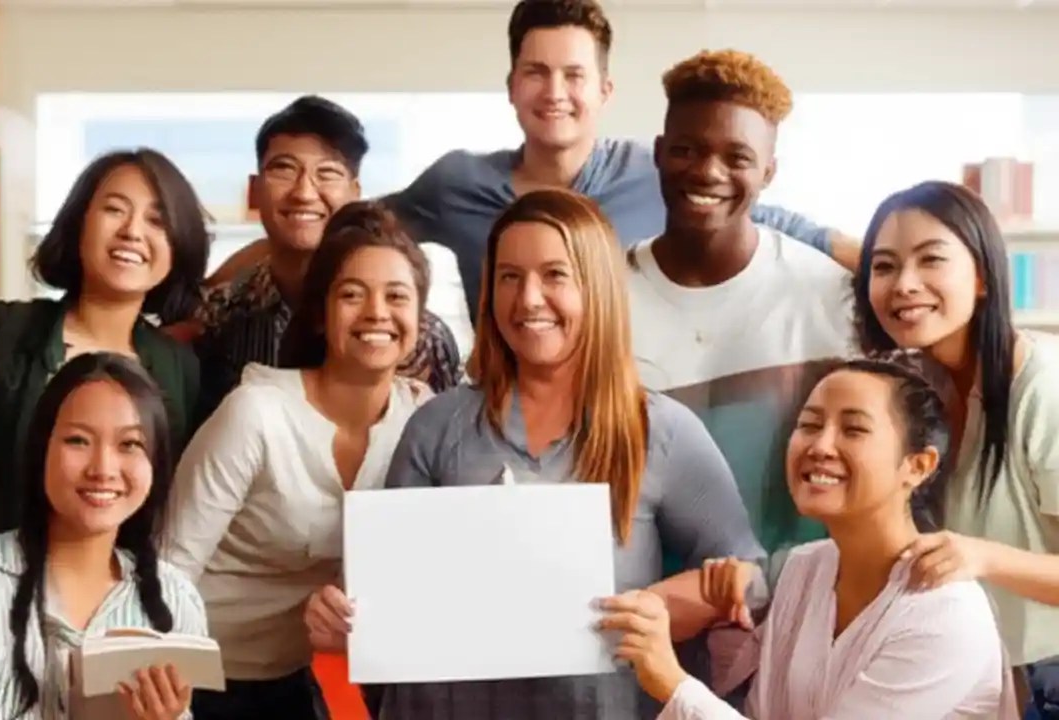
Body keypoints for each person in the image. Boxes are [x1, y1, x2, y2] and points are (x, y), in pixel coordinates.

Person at [306, 189, 765, 719]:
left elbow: (749, 580)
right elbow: (380, 603)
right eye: (509, 277)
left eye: (554, 275)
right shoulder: (437, 425)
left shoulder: (658, 430)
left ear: (597, 289)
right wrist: (338, 623)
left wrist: (664, 607)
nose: (528, 300)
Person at [389, 0, 860, 317]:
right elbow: (356, 234)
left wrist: (907, 271)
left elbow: (797, 232)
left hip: (631, 415)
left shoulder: (663, 174)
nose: (555, 93)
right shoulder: (455, 184)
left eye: (574, 75)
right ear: (512, 86)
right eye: (537, 73)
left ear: (604, 90)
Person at [612, 357, 1013, 718]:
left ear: (918, 465)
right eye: (809, 425)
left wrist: (672, 684)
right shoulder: (805, 568)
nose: (820, 446)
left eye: (853, 430)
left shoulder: (944, 614)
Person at [164, 201, 432, 720]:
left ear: (420, 315)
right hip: (214, 674)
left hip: (326, 675)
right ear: (319, 312)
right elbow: (172, 568)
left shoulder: (421, 416)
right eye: (352, 294)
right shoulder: (256, 413)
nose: (377, 312)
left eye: (397, 296)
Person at [627, 49, 855, 576]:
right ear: (658, 153)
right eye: (686, 149)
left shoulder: (827, 296)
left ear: (769, 172)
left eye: (738, 158)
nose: (708, 172)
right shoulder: (600, 297)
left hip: (798, 606)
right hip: (646, 611)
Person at [855, 180, 1059, 717]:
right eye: (883, 266)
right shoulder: (915, 389)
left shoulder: (1042, 387)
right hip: (974, 674)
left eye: (931, 260)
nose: (904, 285)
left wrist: (981, 556)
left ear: (984, 277)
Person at [0, 353, 208, 719]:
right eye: (78, 440)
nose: (103, 469)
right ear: (41, 449)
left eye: (130, 444)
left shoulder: (176, 600)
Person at [0, 149, 208, 534]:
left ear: (179, 246)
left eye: (157, 220)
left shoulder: (180, 368)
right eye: (115, 209)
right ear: (79, 223)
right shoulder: (3, 330)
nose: (133, 231)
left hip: (120, 584)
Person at [178, 96, 461, 420]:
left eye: (327, 173)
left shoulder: (418, 333)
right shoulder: (220, 317)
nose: (304, 192)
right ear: (254, 191)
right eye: (284, 169)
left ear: (355, 192)